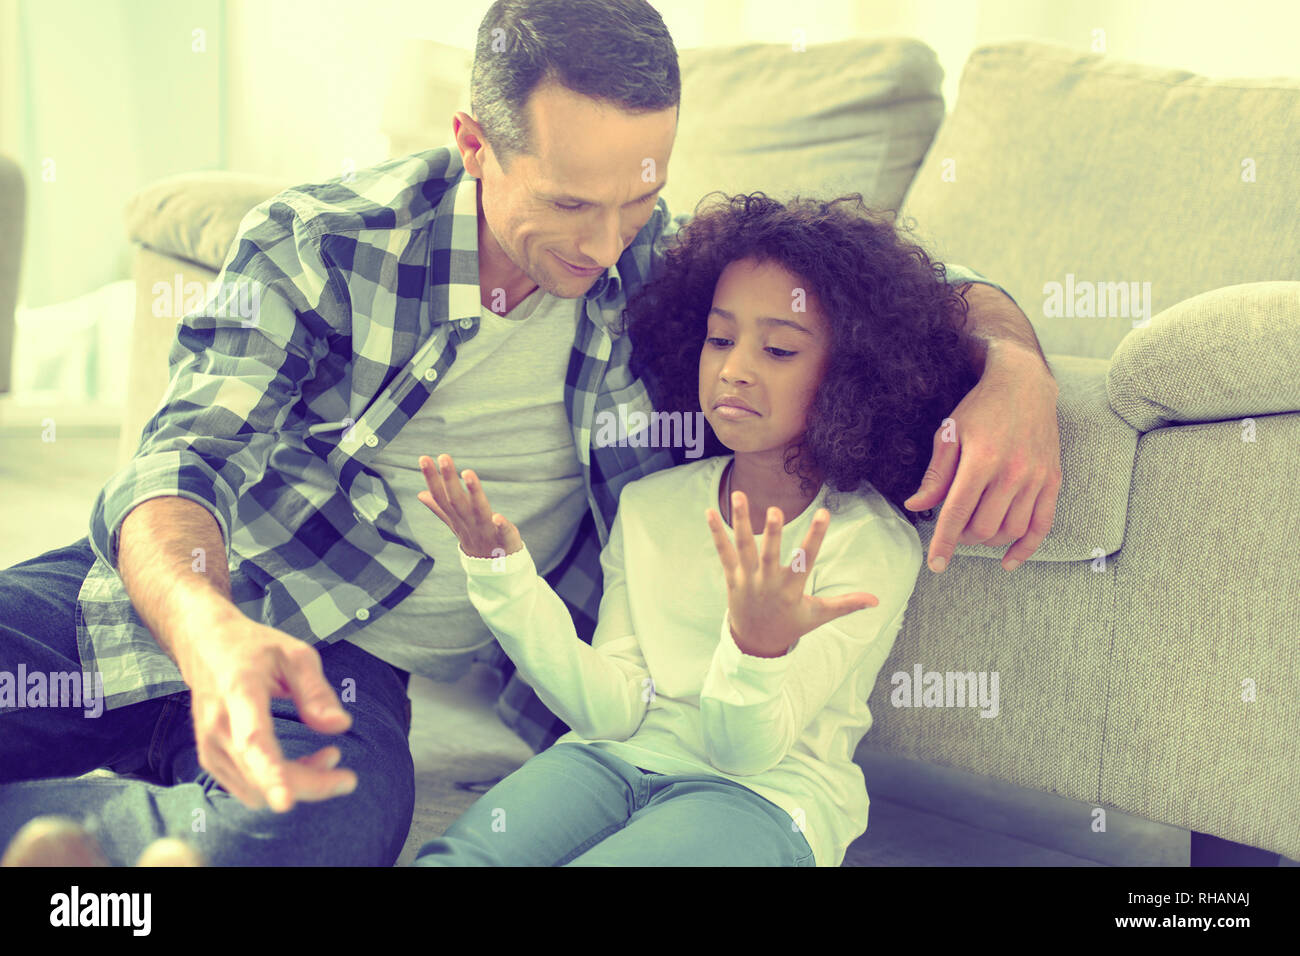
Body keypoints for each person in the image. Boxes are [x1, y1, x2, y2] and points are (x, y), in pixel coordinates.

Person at [0, 0, 1061, 867]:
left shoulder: (665, 271)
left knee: (326, 829)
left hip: (343, 661)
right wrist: (209, 630)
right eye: (568, 203)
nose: (607, 244)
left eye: (638, 198)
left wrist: (1012, 363)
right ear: (473, 143)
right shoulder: (319, 243)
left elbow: (875, 284)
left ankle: (97, 864)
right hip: (192, 596)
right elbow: (184, 456)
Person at [411, 192, 981, 867]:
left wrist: (756, 647)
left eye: (777, 348)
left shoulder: (868, 542)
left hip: (763, 796)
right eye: (719, 338)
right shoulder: (650, 505)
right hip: (607, 760)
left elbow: (746, 751)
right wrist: (502, 576)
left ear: (852, 375)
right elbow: (611, 711)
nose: (734, 368)